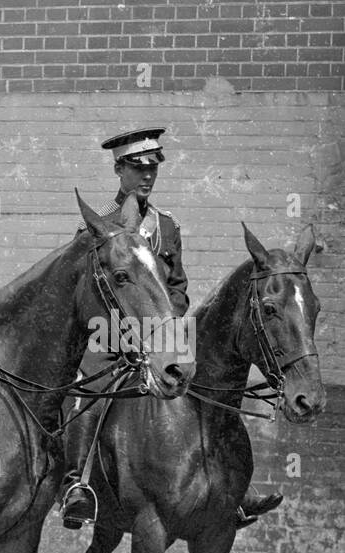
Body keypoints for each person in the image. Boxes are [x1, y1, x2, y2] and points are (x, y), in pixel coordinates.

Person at [60, 127, 274, 529]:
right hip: (113, 337)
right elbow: (90, 290)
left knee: (211, 382)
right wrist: (125, 334)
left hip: (161, 336)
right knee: (91, 388)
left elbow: (176, 287)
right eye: (137, 168)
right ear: (118, 170)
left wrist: (168, 328)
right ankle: (77, 484)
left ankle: (233, 489)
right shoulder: (98, 225)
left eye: (152, 169)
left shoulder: (167, 225)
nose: (146, 177)